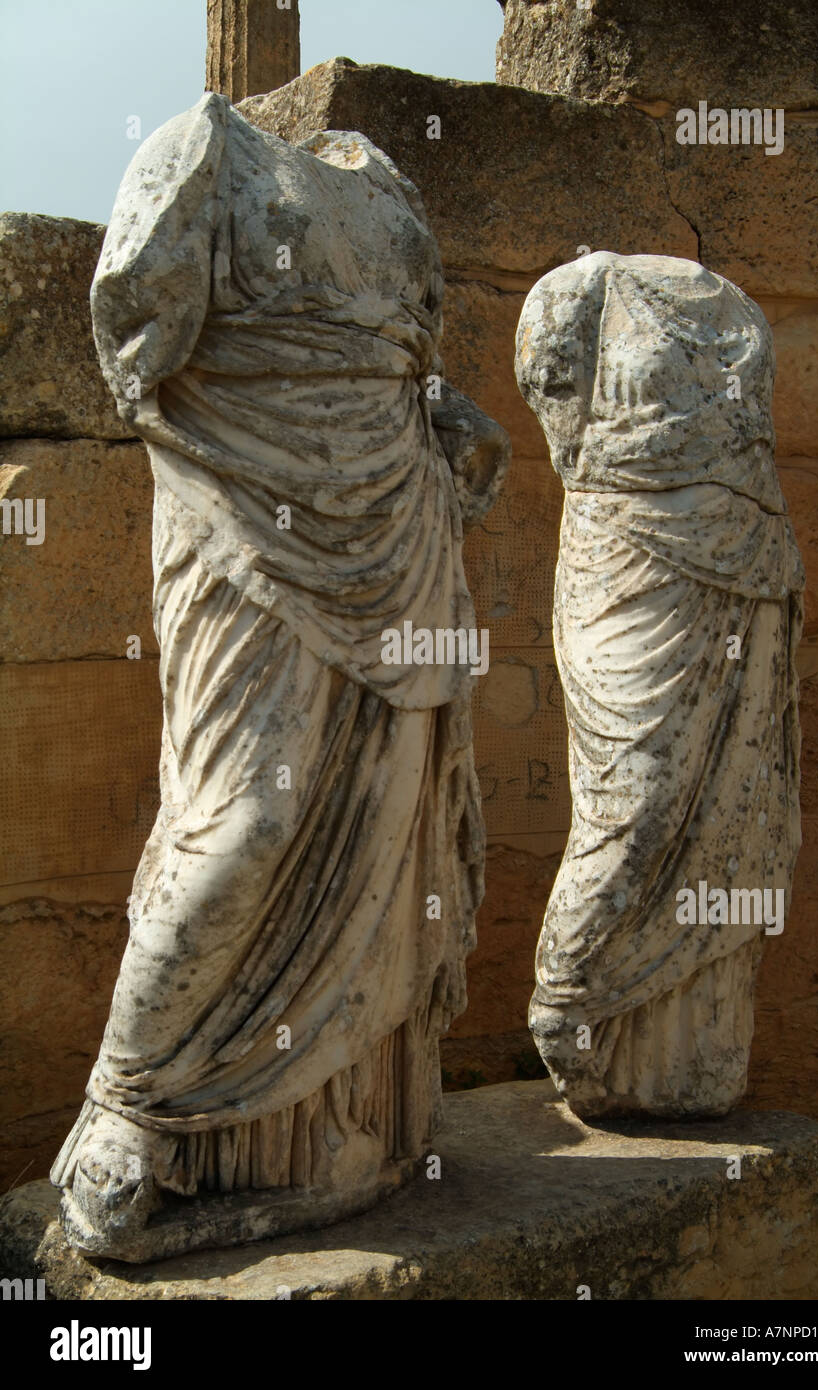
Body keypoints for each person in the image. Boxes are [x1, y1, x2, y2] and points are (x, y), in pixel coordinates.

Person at [52, 92, 508, 1259]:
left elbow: (411, 356)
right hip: (244, 516)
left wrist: (443, 418)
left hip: (397, 525)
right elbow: (133, 344)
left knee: (379, 814)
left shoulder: (390, 189)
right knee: (245, 819)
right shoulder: (199, 152)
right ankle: (132, 1098)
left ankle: (355, 1126)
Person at [516, 250, 803, 1118]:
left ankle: (684, 1065)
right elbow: (557, 413)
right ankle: (572, 996)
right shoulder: (583, 289)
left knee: (733, 800)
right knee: (634, 798)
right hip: (628, 551)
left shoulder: (734, 308)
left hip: (746, 557)